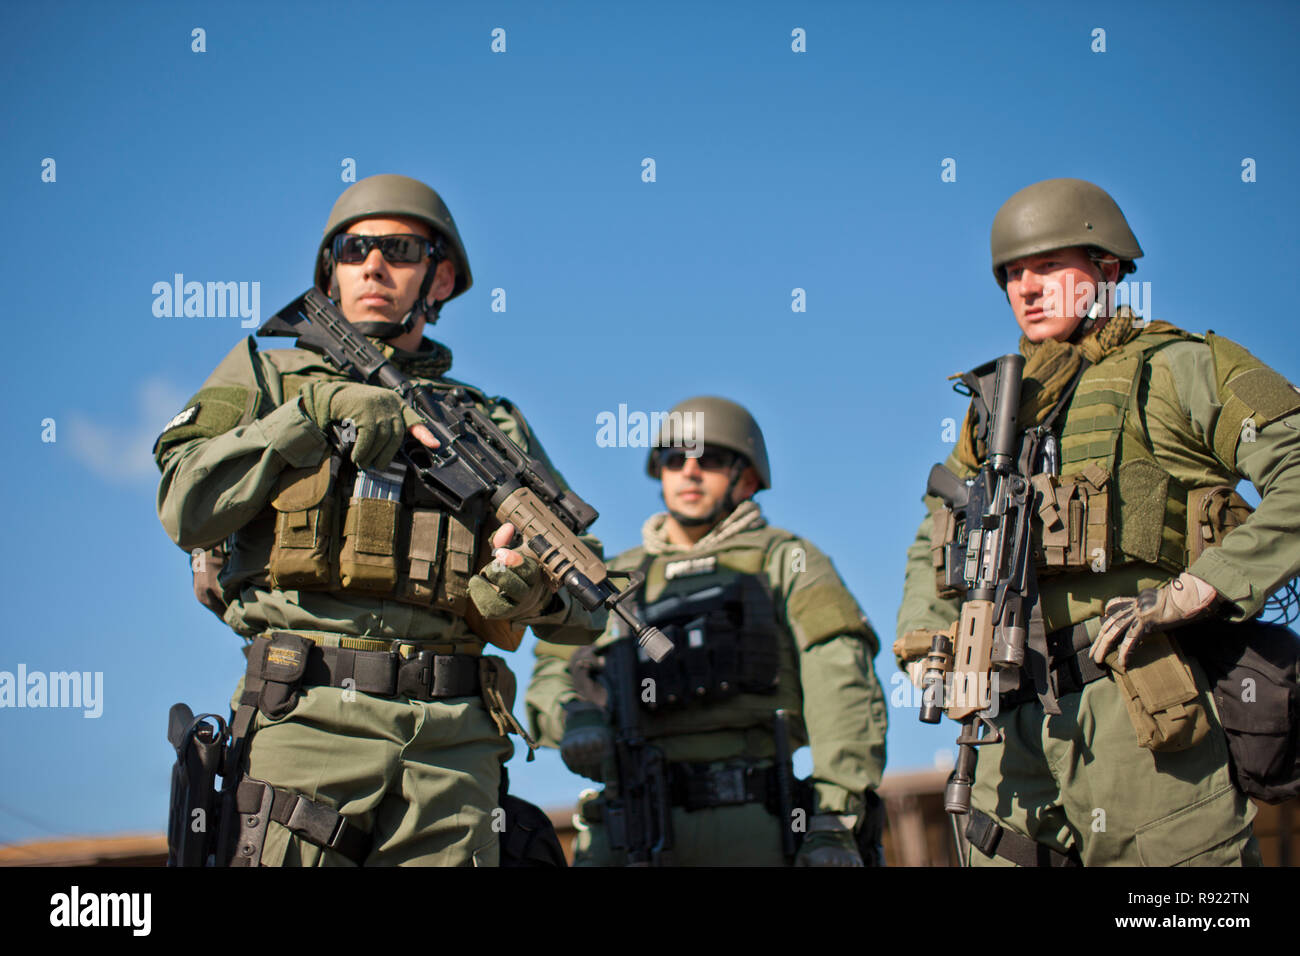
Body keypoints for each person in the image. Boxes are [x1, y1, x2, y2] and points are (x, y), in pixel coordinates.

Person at [154, 174, 602, 866]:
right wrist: (309, 417)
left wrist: (532, 589)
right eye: (352, 248)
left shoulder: (489, 424)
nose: (372, 265)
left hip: (453, 745)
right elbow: (185, 506)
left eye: (398, 249)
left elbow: (587, 606)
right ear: (330, 271)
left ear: (441, 277)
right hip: (305, 715)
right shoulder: (267, 376)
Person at [895, 178, 1300, 866]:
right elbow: (939, 532)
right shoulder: (996, 414)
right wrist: (924, 645)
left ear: (1107, 267)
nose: (1027, 287)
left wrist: (1207, 584)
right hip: (1003, 727)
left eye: (1048, 266)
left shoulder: (1178, 368)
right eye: (1012, 274)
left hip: (1140, 710)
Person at [527, 396, 888, 865]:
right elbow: (554, 670)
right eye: (675, 460)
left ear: (750, 477)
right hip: (631, 819)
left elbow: (842, 680)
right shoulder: (611, 576)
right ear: (660, 473)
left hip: (755, 820)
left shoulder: (787, 560)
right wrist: (575, 720)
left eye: (710, 459)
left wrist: (833, 820)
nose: (690, 471)